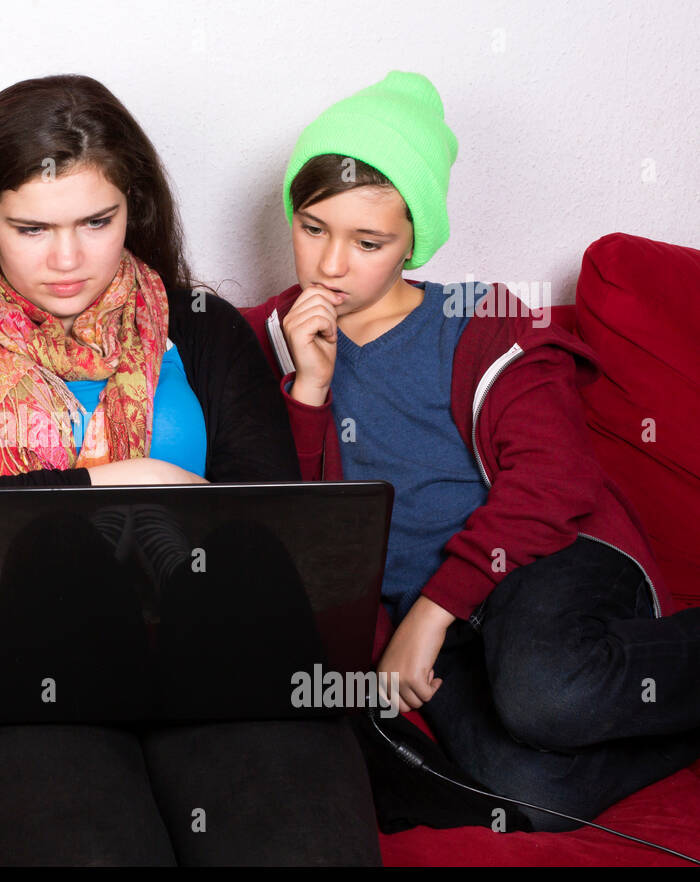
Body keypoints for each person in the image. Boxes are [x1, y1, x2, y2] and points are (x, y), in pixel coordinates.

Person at [0, 74, 381, 865]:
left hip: (217, 672)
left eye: (96, 222)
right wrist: (128, 480)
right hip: (6, 694)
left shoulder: (203, 327)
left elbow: (272, 536)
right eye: (32, 228)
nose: (67, 259)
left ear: (132, 207)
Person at [260, 70, 700, 831]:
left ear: (414, 242)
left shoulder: (482, 318)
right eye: (312, 228)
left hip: (543, 560)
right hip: (447, 627)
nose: (330, 266)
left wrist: (430, 614)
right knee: (526, 794)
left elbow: (554, 483)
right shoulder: (269, 338)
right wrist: (307, 391)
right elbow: (283, 531)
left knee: (546, 693)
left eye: (369, 242)